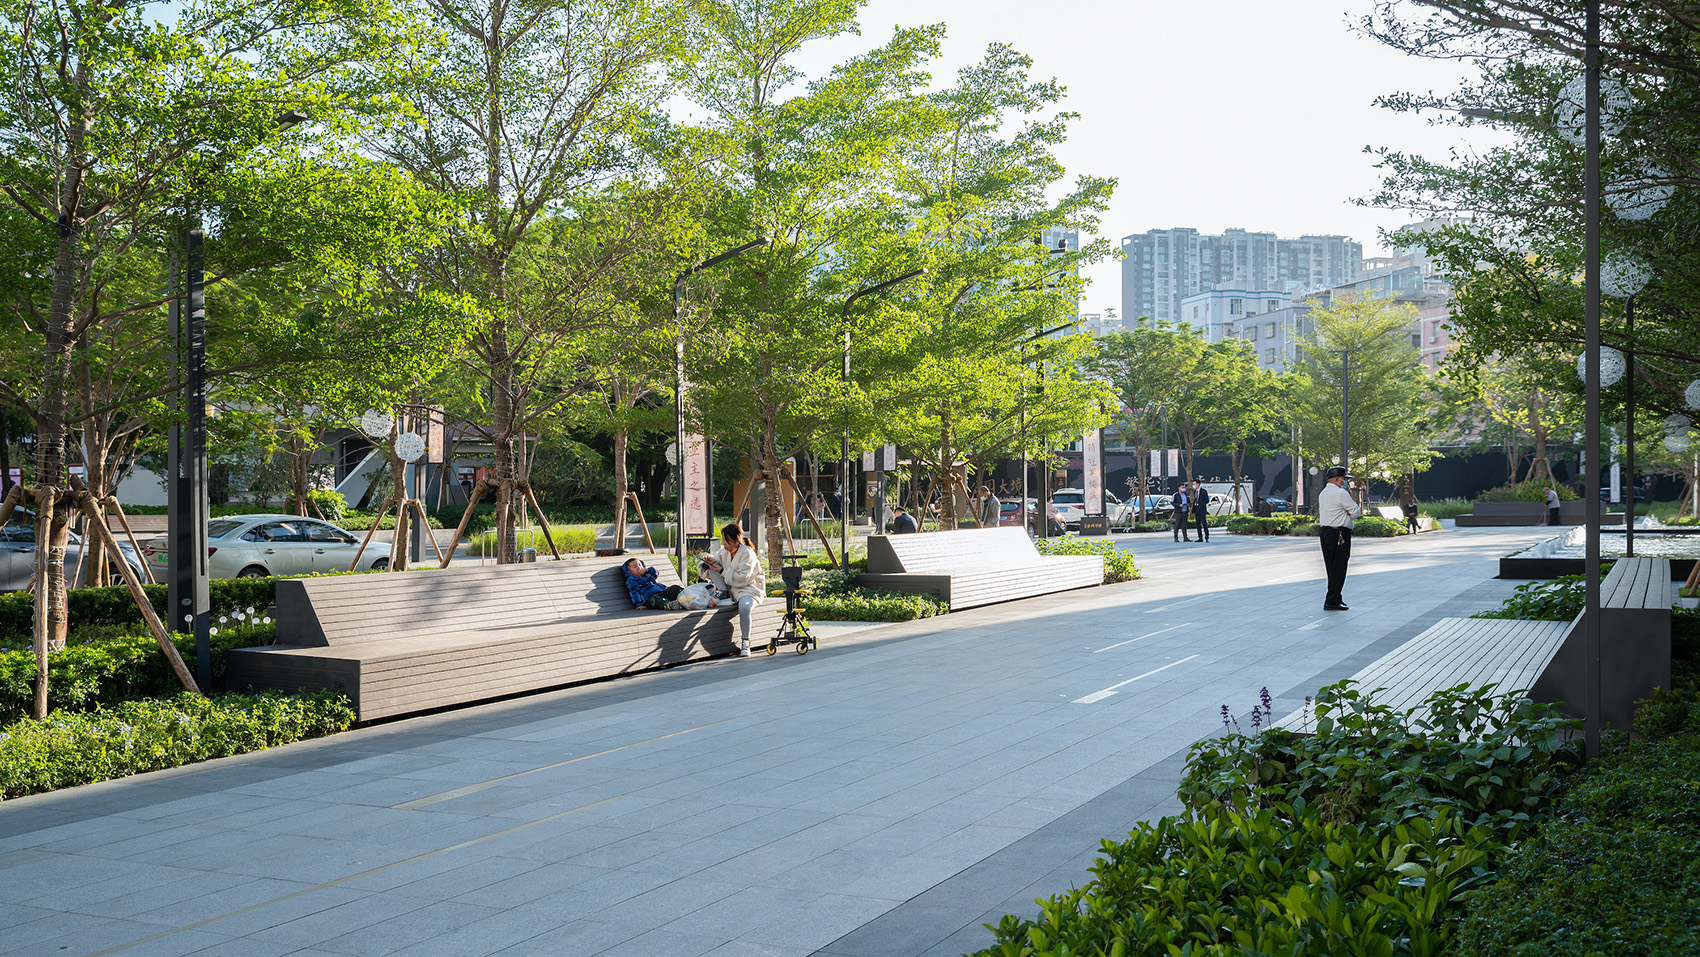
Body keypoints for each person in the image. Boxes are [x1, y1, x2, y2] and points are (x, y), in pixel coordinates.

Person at [700, 523, 764, 656]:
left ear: (737, 540)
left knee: (745, 607)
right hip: (730, 589)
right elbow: (715, 564)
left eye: (727, 541)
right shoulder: (724, 552)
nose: (724, 544)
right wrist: (708, 563)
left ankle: (745, 642)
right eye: (723, 540)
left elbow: (743, 578)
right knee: (713, 564)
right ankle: (724, 594)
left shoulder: (747, 553)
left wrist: (722, 571)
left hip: (748, 589)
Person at [1318, 465, 1362, 610]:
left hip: (1325, 533)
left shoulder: (1323, 493)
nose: (1345, 482)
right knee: (1339, 567)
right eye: (1343, 479)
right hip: (1340, 534)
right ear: (1337, 479)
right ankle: (1331, 601)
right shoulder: (1340, 493)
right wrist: (1348, 512)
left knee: (1331, 567)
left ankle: (1335, 597)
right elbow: (1356, 512)